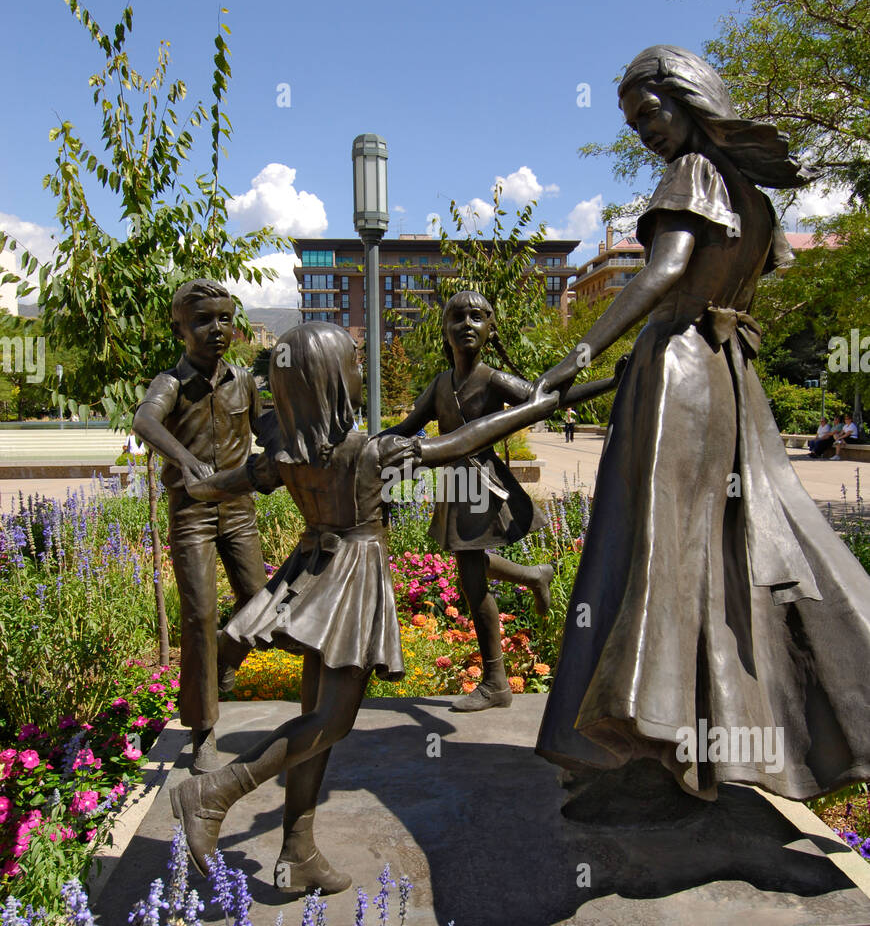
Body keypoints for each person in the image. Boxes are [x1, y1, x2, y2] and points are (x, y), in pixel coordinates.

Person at [532, 45, 870, 802]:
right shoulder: (751, 192)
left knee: (658, 554)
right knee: (724, 554)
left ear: (686, 98)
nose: (644, 131)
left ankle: (647, 744)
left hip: (681, 368)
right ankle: (698, 754)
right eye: (633, 122)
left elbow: (663, 271)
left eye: (648, 113)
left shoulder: (692, 173)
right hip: (728, 378)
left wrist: (581, 348)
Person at [170, 321, 616, 892]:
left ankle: (296, 850)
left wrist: (191, 485)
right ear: (333, 382)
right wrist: (538, 406)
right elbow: (466, 439)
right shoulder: (373, 452)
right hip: (350, 588)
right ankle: (215, 793)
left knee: (315, 718)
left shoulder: (285, 456)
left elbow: (220, 485)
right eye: (355, 365)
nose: (363, 372)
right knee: (332, 720)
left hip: (310, 578)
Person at [384, 291, 620, 711]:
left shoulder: (493, 379)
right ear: (444, 329)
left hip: (482, 484)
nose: (467, 324)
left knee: (471, 580)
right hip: (456, 485)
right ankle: (534, 576)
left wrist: (611, 384)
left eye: (477, 317)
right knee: (469, 567)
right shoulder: (441, 385)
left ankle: (496, 681)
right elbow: (406, 427)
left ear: (491, 330)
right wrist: (364, 447)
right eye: (457, 317)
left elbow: (549, 401)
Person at [133, 279, 268, 774]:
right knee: (198, 616)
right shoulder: (169, 383)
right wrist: (186, 461)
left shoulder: (244, 380)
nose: (217, 330)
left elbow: (265, 425)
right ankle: (203, 731)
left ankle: (226, 662)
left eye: (225, 319)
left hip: (238, 508)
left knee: (260, 603)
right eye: (203, 320)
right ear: (180, 327)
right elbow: (145, 423)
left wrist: (285, 446)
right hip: (191, 514)